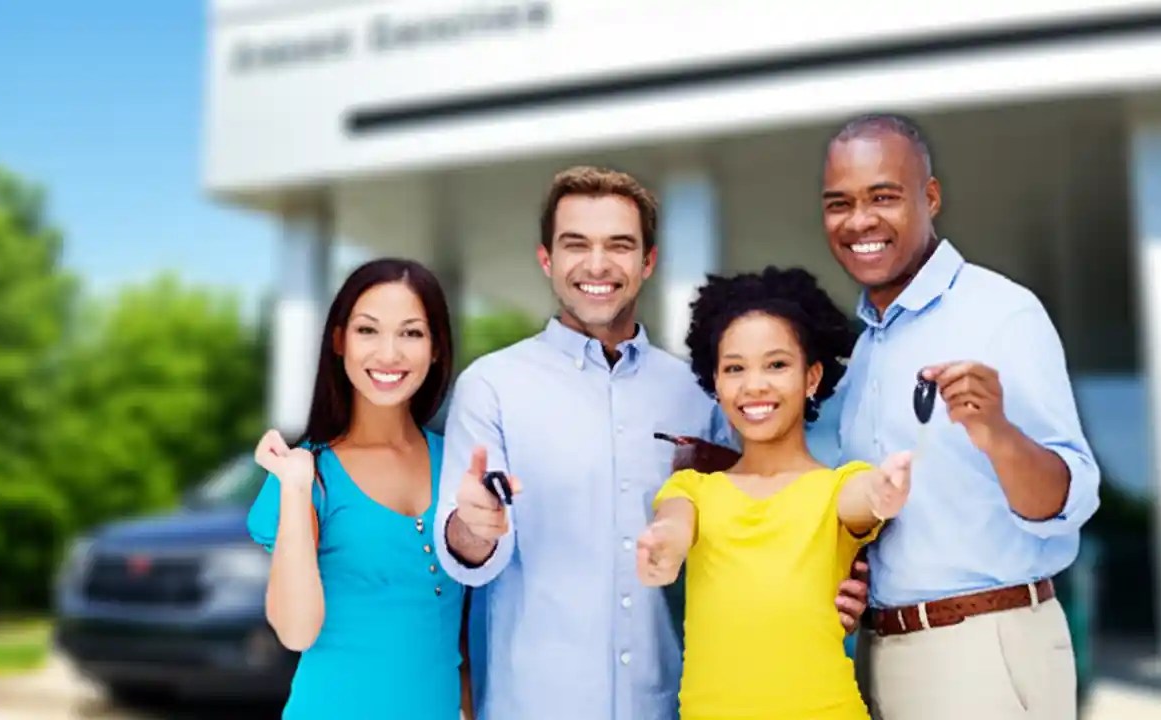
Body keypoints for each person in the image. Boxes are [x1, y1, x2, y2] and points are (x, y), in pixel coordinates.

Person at [434, 165, 869, 720]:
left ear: (648, 263)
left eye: (619, 245)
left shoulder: (701, 392)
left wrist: (834, 578)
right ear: (547, 259)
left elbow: (760, 521)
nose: (597, 265)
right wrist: (475, 525)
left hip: (669, 705)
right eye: (576, 245)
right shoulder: (492, 387)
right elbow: (467, 555)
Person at [819, 113, 1100, 719]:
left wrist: (996, 433)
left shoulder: (1000, 313)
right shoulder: (864, 347)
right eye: (838, 203)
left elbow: (1069, 498)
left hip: (982, 648)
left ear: (932, 197)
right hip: (879, 649)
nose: (859, 220)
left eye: (883, 197)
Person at [636, 266, 913, 719]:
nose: (755, 385)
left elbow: (862, 499)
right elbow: (673, 522)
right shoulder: (694, 488)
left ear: (811, 377)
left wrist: (883, 491)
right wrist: (662, 547)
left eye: (777, 364)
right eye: (734, 368)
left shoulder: (836, 486)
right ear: (716, 383)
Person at [247, 258, 471, 719]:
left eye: (411, 333)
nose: (388, 354)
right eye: (368, 330)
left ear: (436, 349)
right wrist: (294, 489)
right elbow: (295, 632)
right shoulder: (310, 474)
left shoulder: (458, 463)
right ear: (339, 340)